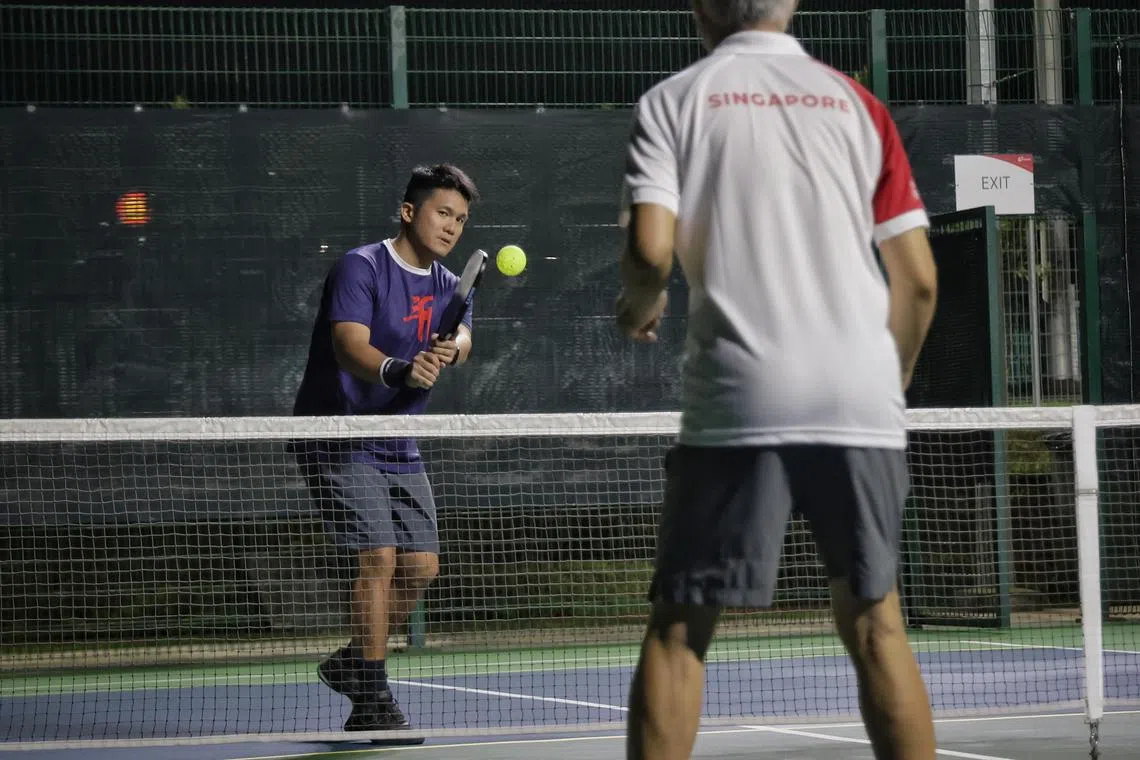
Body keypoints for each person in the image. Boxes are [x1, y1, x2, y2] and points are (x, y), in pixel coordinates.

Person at [615, 1, 940, 759]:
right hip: (859, 398)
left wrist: (639, 303)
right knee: (876, 625)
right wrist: (884, 384)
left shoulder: (674, 100)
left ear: (700, 7)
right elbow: (918, 281)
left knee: (679, 631)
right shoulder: (858, 104)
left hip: (741, 400)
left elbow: (650, 251)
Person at [292, 163, 479, 733]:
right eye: (443, 212)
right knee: (379, 557)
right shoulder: (361, 266)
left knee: (421, 567)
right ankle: (372, 695)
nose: (452, 227)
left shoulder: (449, 284)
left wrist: (454, 350)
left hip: (398, 437)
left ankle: (352, 661)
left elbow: (465, 335)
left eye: (461, 219)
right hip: (338, 431)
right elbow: (350, 346)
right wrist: (400, 369)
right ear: (408, 211)